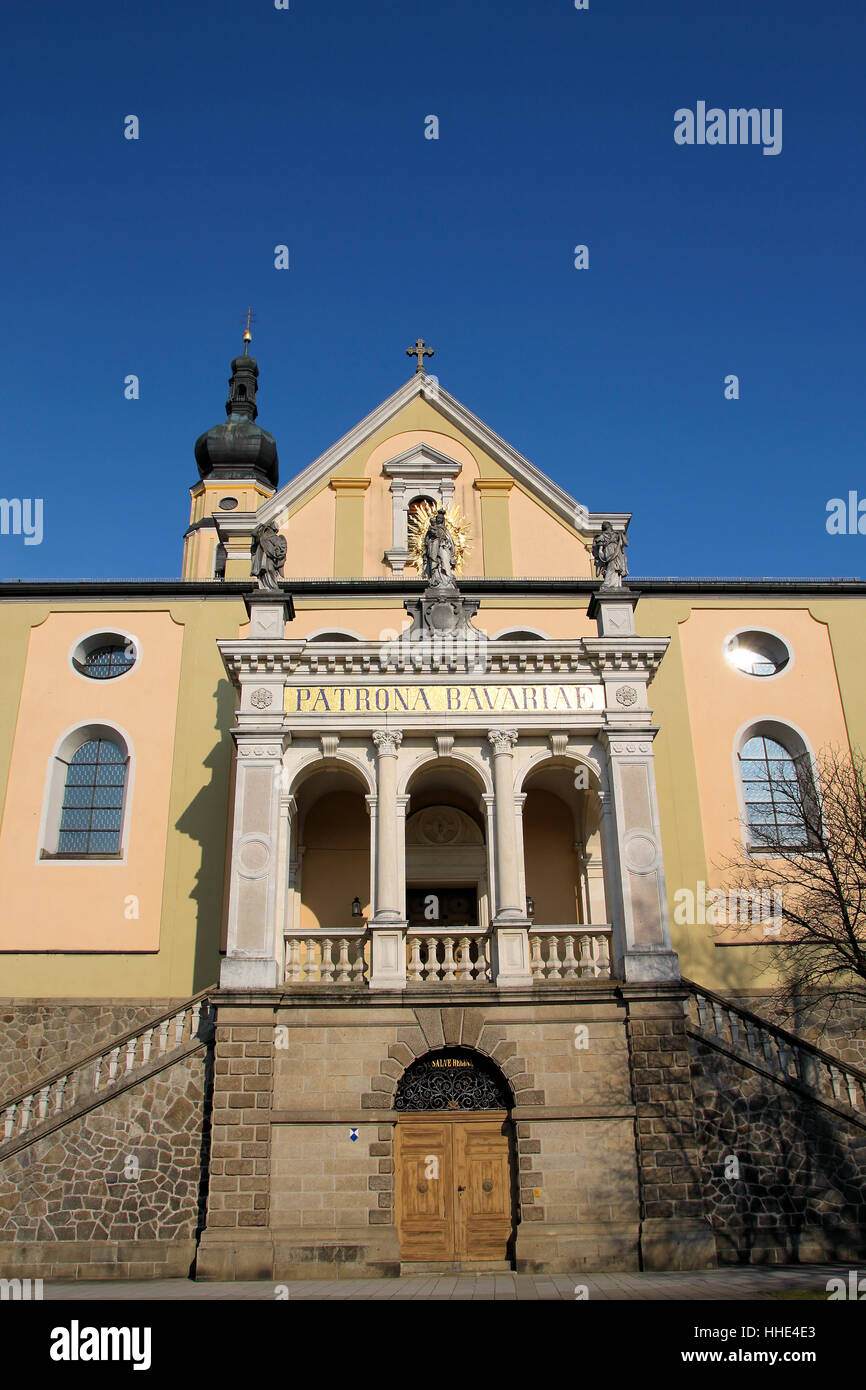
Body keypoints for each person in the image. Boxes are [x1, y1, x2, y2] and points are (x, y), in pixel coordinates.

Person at [251, 521, 287, 591]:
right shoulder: (262, 536)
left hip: (270, 558)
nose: (272, 531)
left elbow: (280, 549)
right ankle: (264, 586)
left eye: (274, 530)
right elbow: (253, 534)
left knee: (270, 569)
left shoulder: (276, 538)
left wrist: (278, 553)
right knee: (263, 571)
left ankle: (273, 586)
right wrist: (260, 526)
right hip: (262, 557)